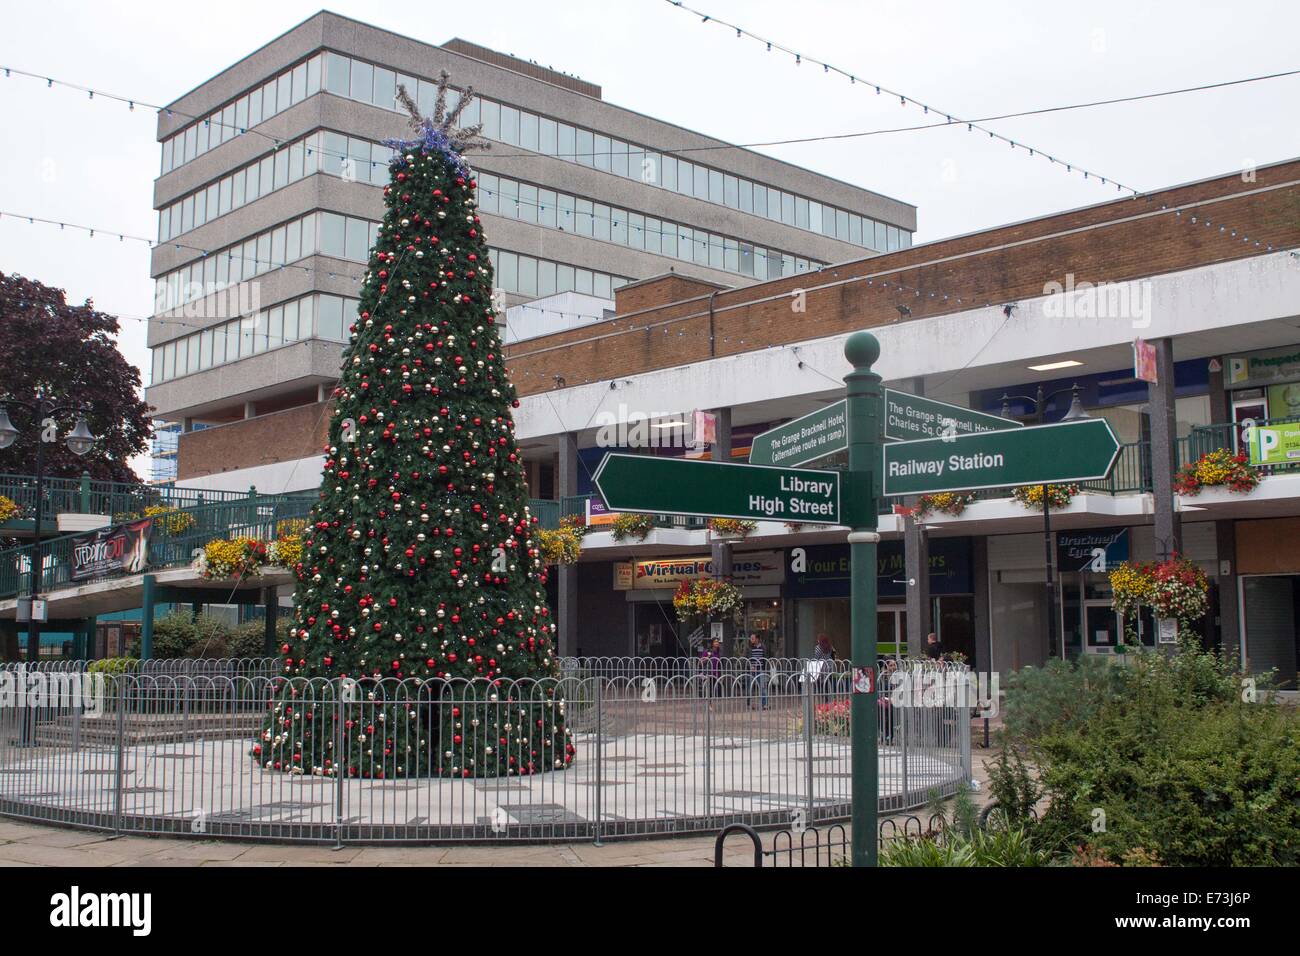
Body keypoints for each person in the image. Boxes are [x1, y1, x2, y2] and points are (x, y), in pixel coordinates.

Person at [747, 632, 769, 709]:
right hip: (751, 670)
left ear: (757, 639)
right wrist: (750, 666)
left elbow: (765, 658)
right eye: (751, 638)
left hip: (760, 670)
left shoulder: (763, 647)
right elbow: (747, 658)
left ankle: (764, 704)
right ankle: (749, 704)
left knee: (763, 687)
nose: (751, 640)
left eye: (752, 638)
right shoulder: (749, 647)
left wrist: (765, 668)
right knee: (750, 687)